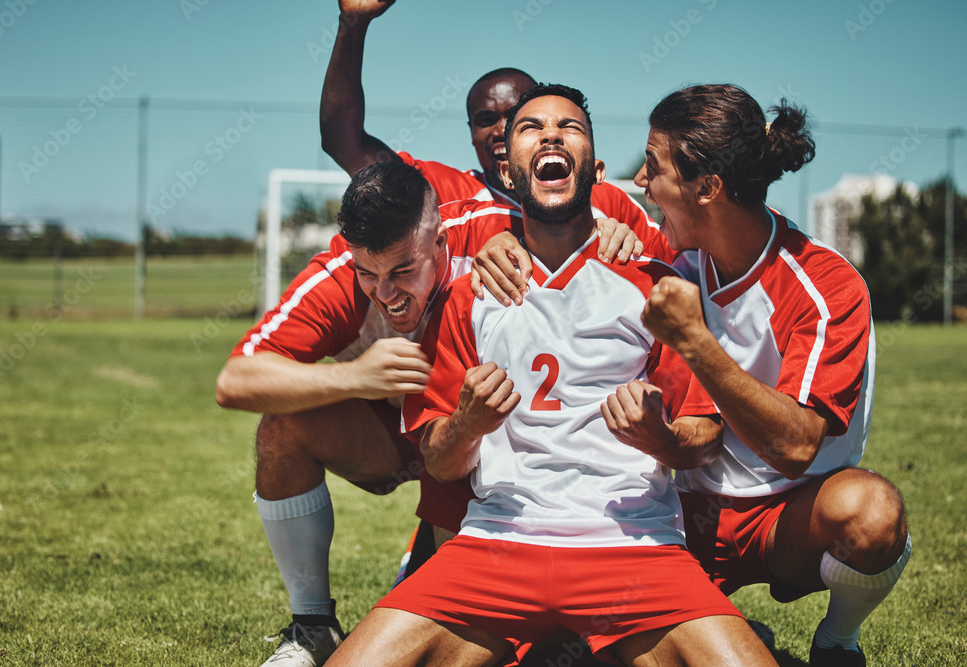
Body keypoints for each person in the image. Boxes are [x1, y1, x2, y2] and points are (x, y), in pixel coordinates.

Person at [325, 83, 778, 667]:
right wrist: (467, 424)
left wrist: (659, 437)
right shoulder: (469, 294)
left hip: (633, 548)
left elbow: (706, 438)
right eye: (530, 127)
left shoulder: (654, 287)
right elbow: (439, 463)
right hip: (496, 546)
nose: (551, 136)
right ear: (506, 173)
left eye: (570, 127)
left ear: (596, 169)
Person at [216, 160, 634, 667]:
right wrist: (356, 377)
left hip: (499, 445)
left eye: (402, 271)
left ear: (440, 242)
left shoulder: (492, 231)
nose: (385, 293)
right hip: (403, 439)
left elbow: (599, 217)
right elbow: (235, 379)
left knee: (499, 632)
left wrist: (618, 230)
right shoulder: (339, 276)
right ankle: (313, 626)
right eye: (367, 274)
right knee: (283, 426)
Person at [628, 83, 911, 666]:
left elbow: (796, 447)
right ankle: (726, 623)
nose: (640, 181)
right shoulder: (674, 255)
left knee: (873, 514)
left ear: (707, 188)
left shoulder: (826, 285)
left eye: (653, 166)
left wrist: (697, 342)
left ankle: (838, 642)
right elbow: (572, 219)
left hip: (792, 517)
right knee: (586, 643)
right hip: (689, 510)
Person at [319, 0, 669, 273]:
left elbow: (673, 261)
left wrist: (629, 240)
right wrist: (353, 24)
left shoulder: (604, 199)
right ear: (471, 133)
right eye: (486, 120)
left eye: (519, 119)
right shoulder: (442, 193)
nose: (501, 130)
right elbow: (344, 143)